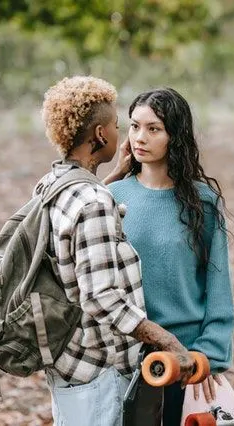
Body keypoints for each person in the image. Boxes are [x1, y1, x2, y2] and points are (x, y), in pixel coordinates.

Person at [39, 76, 194, 426]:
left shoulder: (53, 184)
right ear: (100, 135)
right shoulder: (94, 202)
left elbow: (81, 214)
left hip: (66, 360)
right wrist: (167, 340)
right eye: (120, 125)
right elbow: (101, 297)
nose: (129, 135)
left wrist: (115, 174)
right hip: (96, 371)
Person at [108, 87, 234, 425]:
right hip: (124, 358)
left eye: (154, 129)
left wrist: (207, 356)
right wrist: (114, 175)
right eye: (134, 126)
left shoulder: (203, 203)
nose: (140, 137)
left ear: (174, 136)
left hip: (185, 358)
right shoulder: (111, 197)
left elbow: (218, 286)